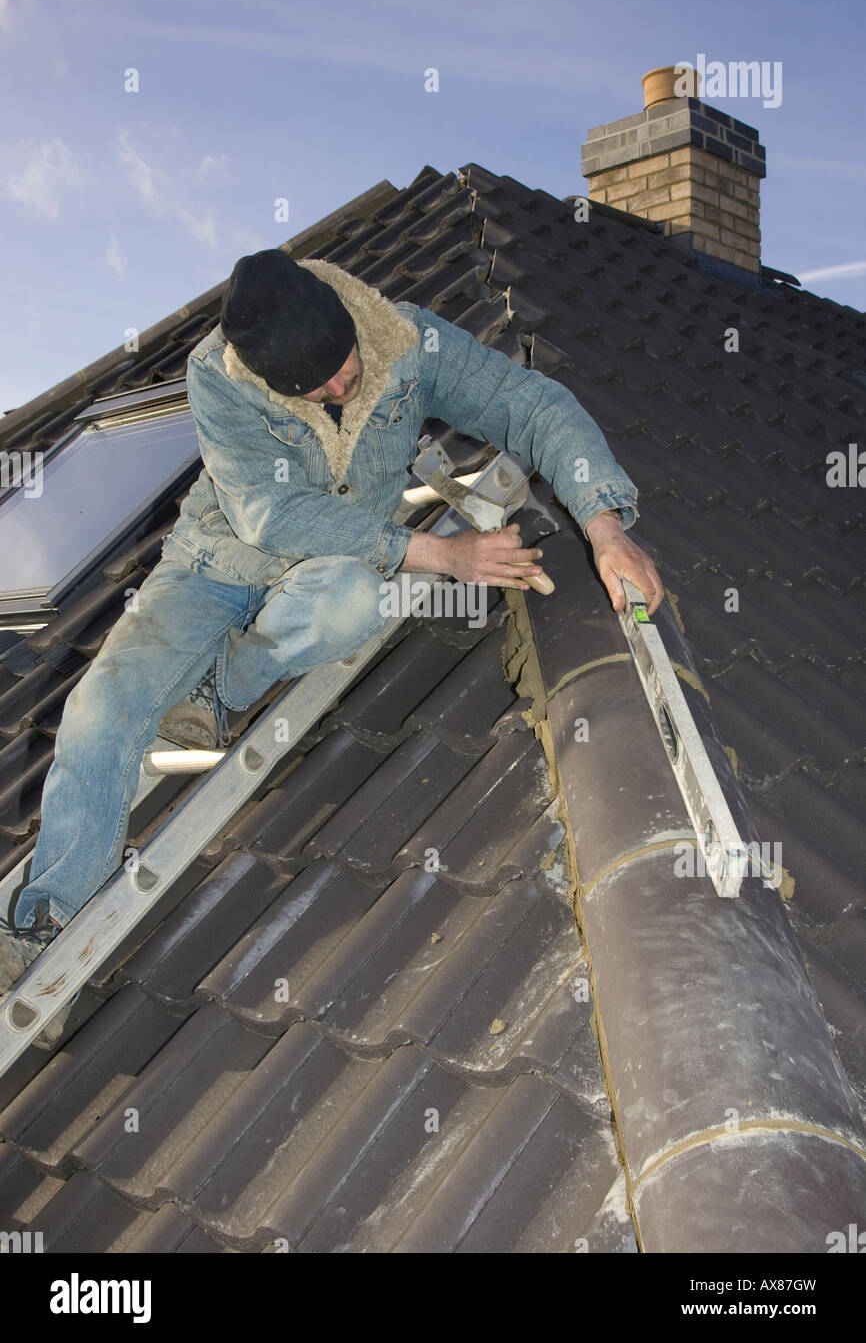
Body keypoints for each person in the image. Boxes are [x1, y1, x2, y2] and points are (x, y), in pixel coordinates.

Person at [0, 246, 663, 1045]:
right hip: (214, 563)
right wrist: (440, 554)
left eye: (347, 370)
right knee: (99, 712)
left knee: (351, 601)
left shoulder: (406, 341)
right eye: (317, 391)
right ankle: (45, 922)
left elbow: (529, 403)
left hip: (334, 566)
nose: (343, 389)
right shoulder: (218, 375)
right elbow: (271, 519)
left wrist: (604, 525)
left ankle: (218, 691)